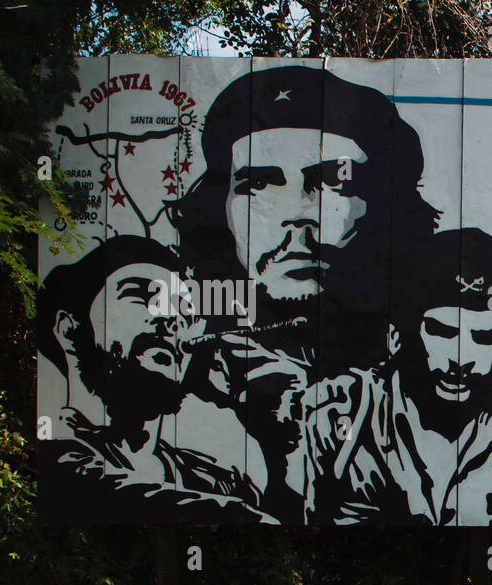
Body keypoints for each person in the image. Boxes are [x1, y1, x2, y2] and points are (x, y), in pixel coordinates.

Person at [173, 64, 442, 520]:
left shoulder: (436, 367)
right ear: (221, 210)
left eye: (330, 183)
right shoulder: (184, 376)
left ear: (381, 207)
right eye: (258, 183)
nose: (297, 218)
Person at [305, 227, 492, 526]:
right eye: (442, 331)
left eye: (486, 337)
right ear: (404, 327)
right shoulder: (335, 415)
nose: (461, 359)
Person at [37, 236, 271, 522]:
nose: (172, 320)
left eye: (185, 313)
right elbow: (99, 490)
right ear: (70, 331)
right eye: (146, 296)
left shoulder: (215, 483)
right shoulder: (52, 455)